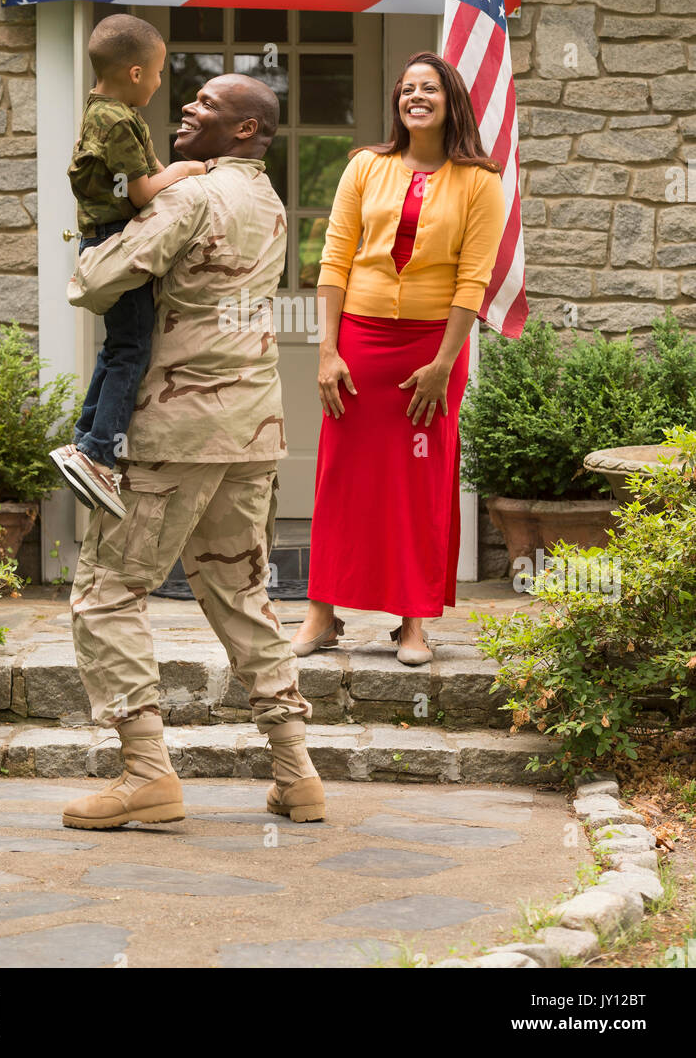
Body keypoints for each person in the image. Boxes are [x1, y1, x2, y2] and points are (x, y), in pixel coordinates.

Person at [60, 73, 325, 831]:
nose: (187, 107)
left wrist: (94, 247)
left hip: (171, 431)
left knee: (107, 592)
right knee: (242, 593)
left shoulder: (192, 196)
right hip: (251, 428)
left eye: (207, 104)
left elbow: (95, 282)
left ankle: (146, 775)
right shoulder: (267, 200)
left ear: (246, 128)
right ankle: (295, 773)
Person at [293, 53, 505, 665]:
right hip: (359, 343)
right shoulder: (366, 166)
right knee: (340, 477)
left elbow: (474, 280)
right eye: (407, 89)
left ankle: (412, 623)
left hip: (433, 349)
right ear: (397, 102)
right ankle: (321, 614)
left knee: (420, 479)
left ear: (451, 100)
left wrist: (443, 363)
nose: (416, 96)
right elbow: (333, 260)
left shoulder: (481, 180)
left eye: (429, 88)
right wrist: (327, 350)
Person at [50, 13, 206, 518]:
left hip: (110, 237)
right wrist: (185, 170)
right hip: (117, 241)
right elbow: (142, 191)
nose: (162, 83)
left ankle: (83, 441)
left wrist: (175, 176)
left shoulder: (111, 112)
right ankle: (98, 453)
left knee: (119, 347)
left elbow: (150, 174)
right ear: (135, 73)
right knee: (132, 350)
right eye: (158, 73)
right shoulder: (116, 119)